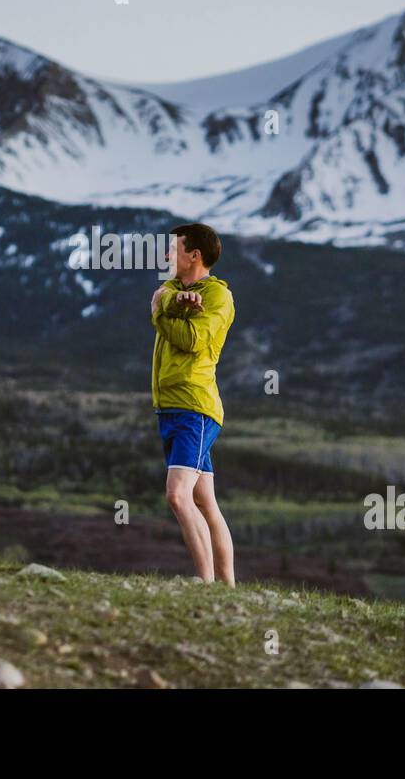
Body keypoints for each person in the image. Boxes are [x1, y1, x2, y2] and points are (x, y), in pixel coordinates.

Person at [150, 223, 236, 585]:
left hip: (195, 409)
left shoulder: (219, 298)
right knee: (205, 501)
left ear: (194, 256)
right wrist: (172, 303)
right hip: (170, 406)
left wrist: (160, 314)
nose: (168, 256)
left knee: (177, 495)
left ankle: (205, 584)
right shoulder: (174, 288)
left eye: (174, 249)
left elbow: (193, 340)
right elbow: (160, 296)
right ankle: (229, 588)